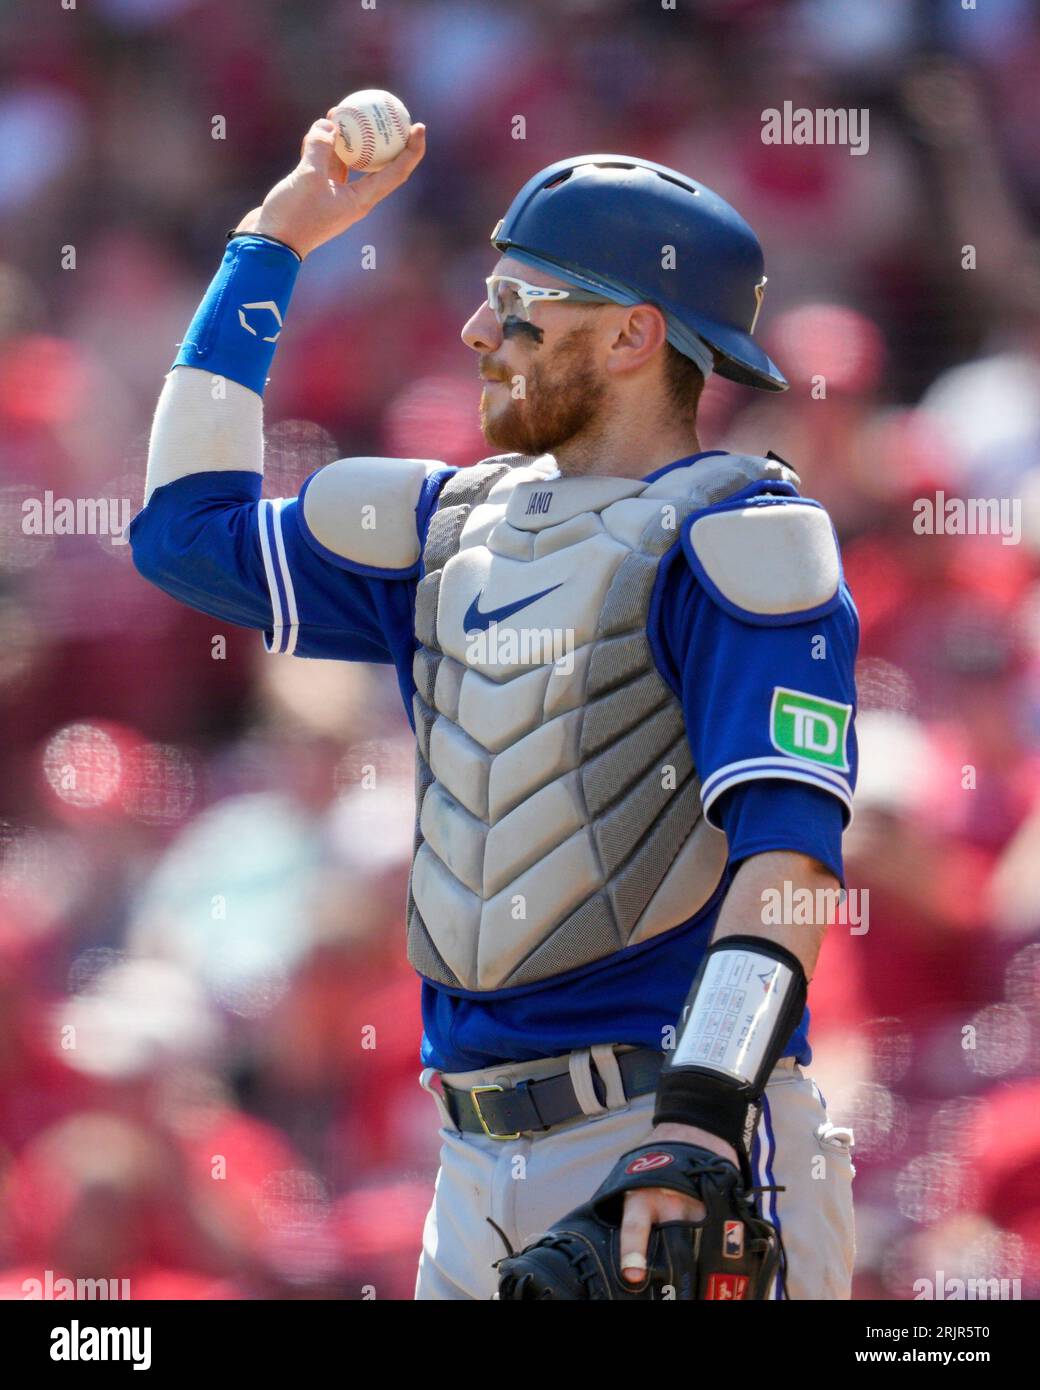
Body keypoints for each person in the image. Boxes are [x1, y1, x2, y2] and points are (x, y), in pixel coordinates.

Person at [129, 115, 859, 1300]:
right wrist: (274, 239)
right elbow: (182, 536)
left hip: (665, 1140)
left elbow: (787, 866)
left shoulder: (738, 546)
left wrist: (700, 1122)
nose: (479, 328)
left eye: (520, 300)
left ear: (633, 333)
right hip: (469, 1162)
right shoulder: (447, 532)